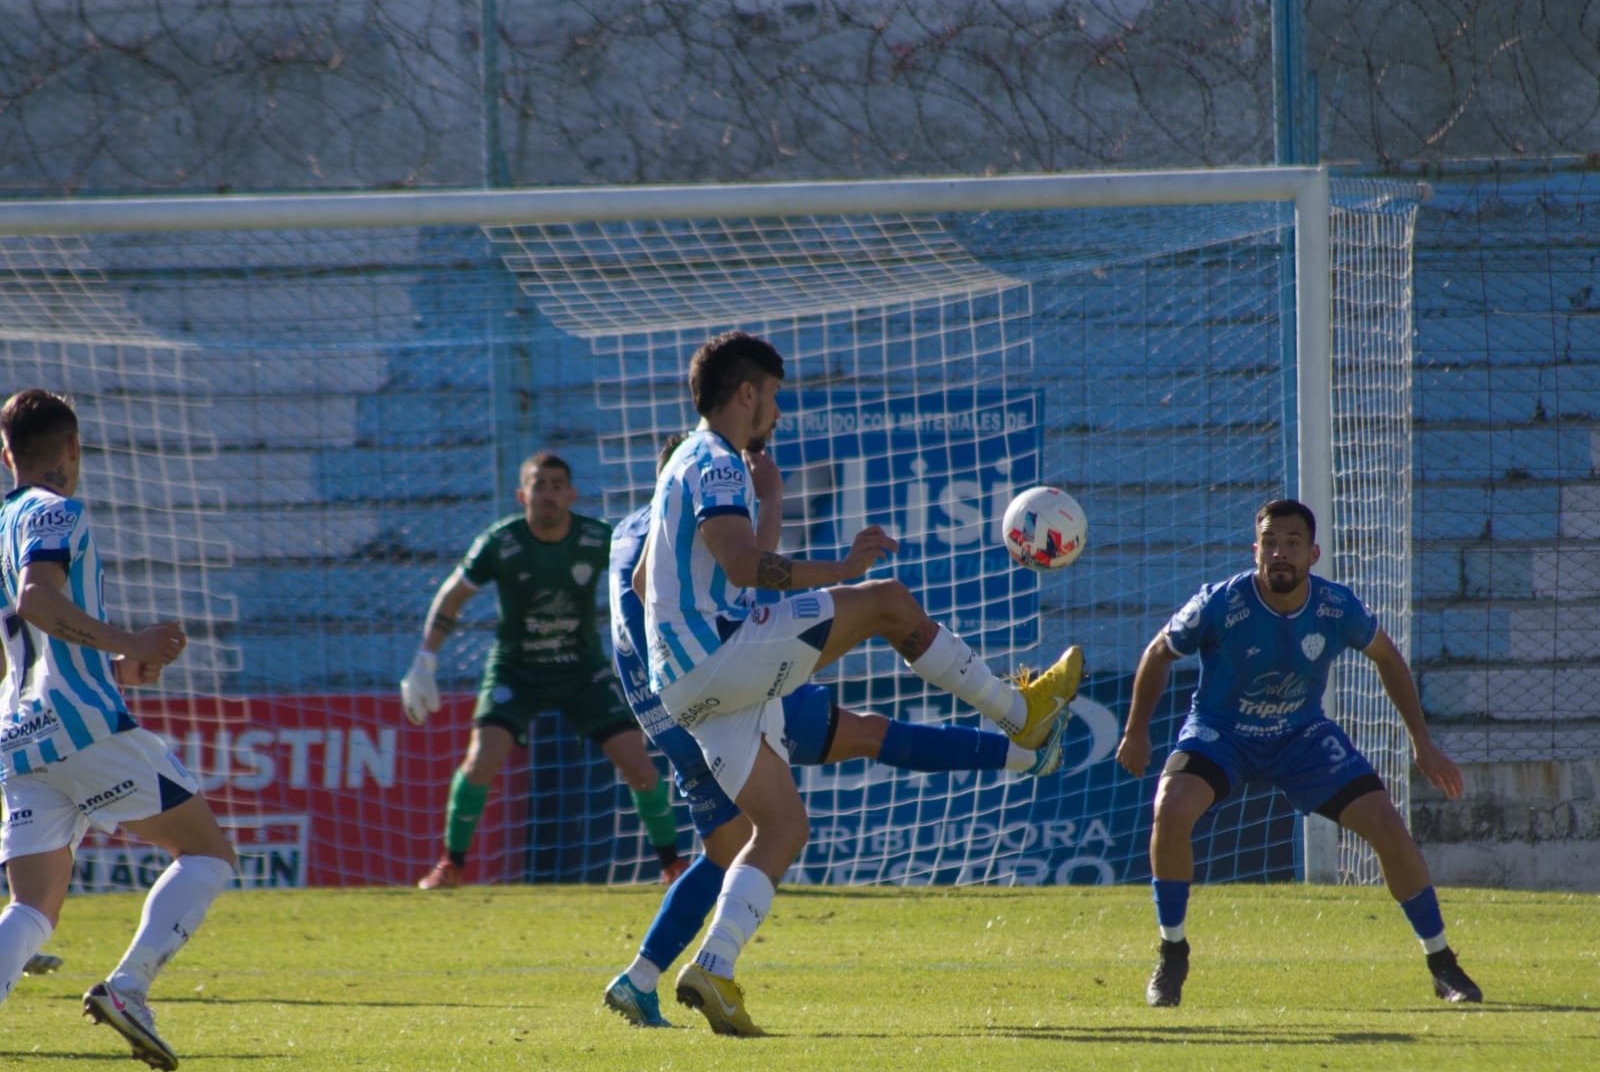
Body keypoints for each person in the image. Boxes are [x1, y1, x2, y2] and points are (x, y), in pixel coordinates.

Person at [641, 330, 1082, 1034]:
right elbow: (740, 564)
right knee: (886, 600)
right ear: (746, 394)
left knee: (782, 825)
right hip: (720, 658)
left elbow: (657, 579)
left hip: (684, 690)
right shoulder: (717, 459)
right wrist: (842, 571)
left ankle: (713, 969)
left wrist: (767, 517)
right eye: (774, 398)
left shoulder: (682, 468)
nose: (776, 414)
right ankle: (1017, 711)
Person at [1114, 497, 1482, 1008]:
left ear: (1313, 554)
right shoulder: (1221, 603)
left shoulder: (1336, 606)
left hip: (1302, 737)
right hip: (1222, 735)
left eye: (1291, 544)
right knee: (1170, 811)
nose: (1278, 553)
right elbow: (1159, 652)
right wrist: (1136, 732)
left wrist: (1422, 742)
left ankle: (1443, 964)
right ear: (1255, 549)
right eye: (1269, 543)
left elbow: (1388, 657)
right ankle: (1172, 953)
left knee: (1386, 823)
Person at [0, 388, 237, 1071]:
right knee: (209, 854)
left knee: (34, 908)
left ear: (5, 454)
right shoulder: (55, 510)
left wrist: (117, 660)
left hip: (21, 736)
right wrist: (128, 638)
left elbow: (28, 636)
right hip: (83, 728)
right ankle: (128, 989)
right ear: (73, 448)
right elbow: (37, 601)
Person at [399, 452, 684, 888]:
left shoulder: (596, 537)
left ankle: (672, 865)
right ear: (522, 495)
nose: (548, 494)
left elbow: (643, 577)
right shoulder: (502, 542)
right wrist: (425, 659)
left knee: (639, 766)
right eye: (539, 485)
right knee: (480, 761)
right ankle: (450, 865)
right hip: (517, 669)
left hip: (582, 670)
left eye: (556, 485)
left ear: (571, 494)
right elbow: (453, 595)